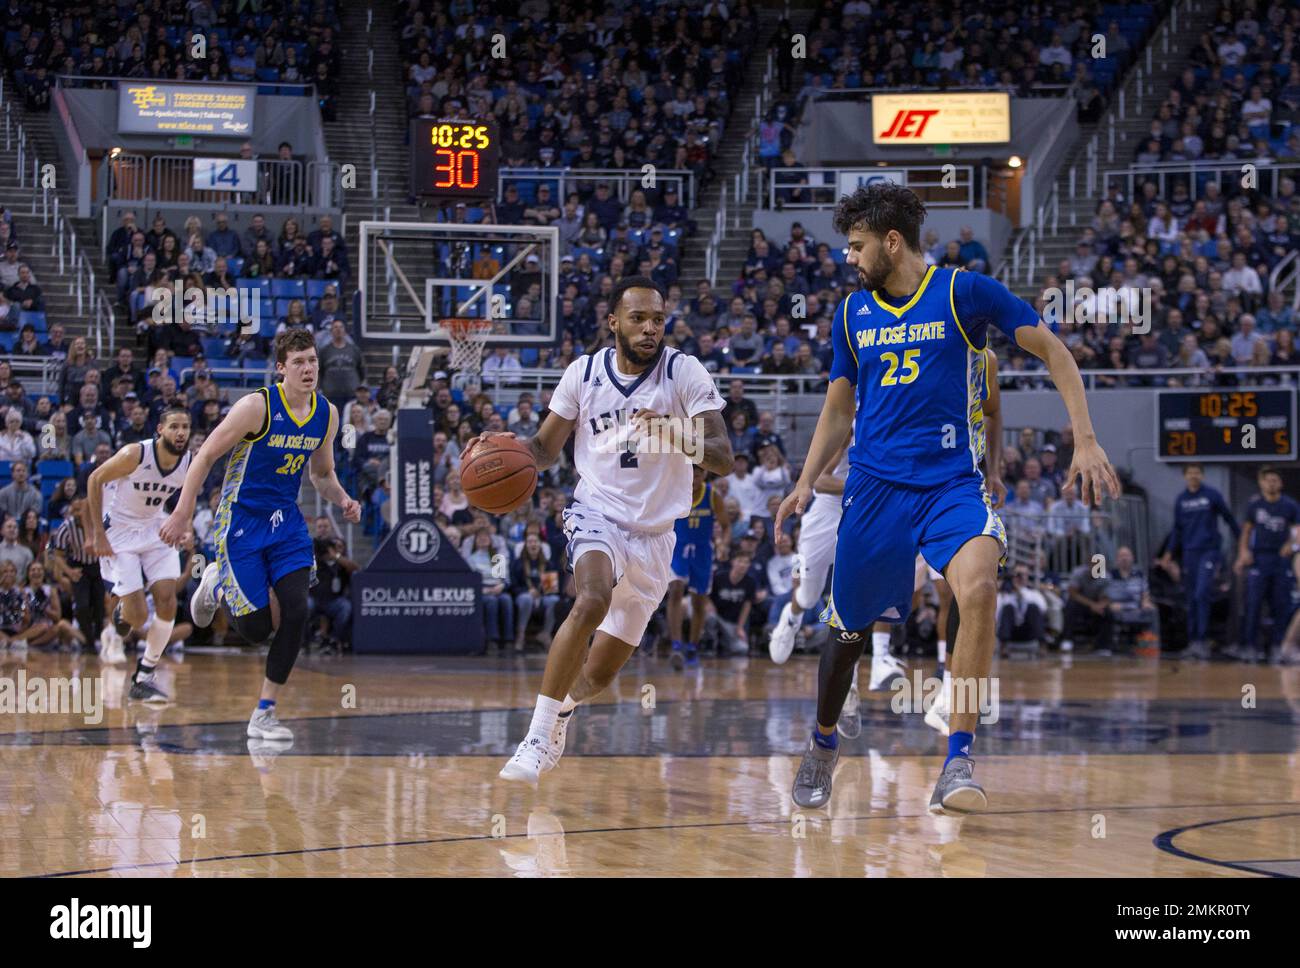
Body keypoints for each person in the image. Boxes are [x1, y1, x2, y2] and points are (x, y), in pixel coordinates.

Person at [775, 183, 1119, 813]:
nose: (849, 258)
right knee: (847, 635)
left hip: (950, 484)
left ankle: (958, 758)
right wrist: (805, 480)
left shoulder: (963, 292)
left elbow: (1055, 350)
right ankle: (823, 741)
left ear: (892, 241)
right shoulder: (851, 314)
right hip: (874, 490)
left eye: (856, 246)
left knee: (980, 586)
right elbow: (838, 405)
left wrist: (1086, 440)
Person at [486, 276, 733, 786]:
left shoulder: (683, 372)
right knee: (591, 599)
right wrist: (500, 451)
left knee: (597, 676)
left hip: (657, 536)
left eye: (658, 319)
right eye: (638, 318)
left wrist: (674, 431)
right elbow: (544, 450)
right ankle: (535, 734)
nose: (649, 329)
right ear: (613, 322)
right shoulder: (583, 373)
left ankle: (562, 714)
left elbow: (723, 456)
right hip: (597, 513)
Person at [159, 329, 362, 741]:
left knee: (297, 612)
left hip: (286, 524)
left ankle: (264, 713)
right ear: (281, 369)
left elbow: (321, 474)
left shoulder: (327, 414)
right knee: (252, 629)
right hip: (241, 521)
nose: (308, 369)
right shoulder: (256, 407)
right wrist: (182, 513)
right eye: (299, 362)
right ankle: (215, 582)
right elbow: (205, 456)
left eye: (313, 361)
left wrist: (342, 498)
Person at [84, 406, 193, 702]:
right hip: (120, 532)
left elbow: (189, 495)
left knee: (168, 601)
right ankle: (117, 620)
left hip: (156, 528)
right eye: (174, 426)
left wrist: (185, 524)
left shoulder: (189, 461)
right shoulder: (136, 454)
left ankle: (144, 675)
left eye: (185, 426)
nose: (181, 432)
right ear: (160, 429)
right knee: (138, 616)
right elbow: (94, 480)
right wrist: (97, 534)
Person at [1156, 463, 1239, 659]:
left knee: (1202, 593)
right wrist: (1168, 553)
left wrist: (1242, 543)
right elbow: (1177, 529)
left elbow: (1229, 518)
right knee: (1192, 597)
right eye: (1190, 473)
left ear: (1202, 475)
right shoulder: (1181, 500)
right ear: (1185, 476)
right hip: (1189, 553)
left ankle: (1202, 640)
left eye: (1197, 472)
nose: (1194, 476)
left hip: (1209, 551)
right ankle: (1193, 642)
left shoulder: (1212, 495)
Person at [1233, 466, 1300, 662]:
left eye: (1275, 480)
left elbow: (1297, 531)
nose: (1271, 483)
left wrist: (1292, 544)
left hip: (1281, 560)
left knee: (1282, 604)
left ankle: (1278, 647)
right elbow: (1246, 531)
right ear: (1261, 482)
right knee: (1253, 603)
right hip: (1259, 559)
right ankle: (1250, 646)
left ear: (1280, 483)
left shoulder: (1290, 505)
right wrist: (1243, 553)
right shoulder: (1255, 505)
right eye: (1268, 480)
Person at [667, 463, 727, 668]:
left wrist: (723, 544)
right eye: (691, 475)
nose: (693, 480)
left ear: (705, 475)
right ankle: (676, 644)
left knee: (699, 601)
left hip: (703, 551)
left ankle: (693, 645)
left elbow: (726, 526)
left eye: (698, 475)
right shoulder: (675, 490)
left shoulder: (712, 496)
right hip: (678, 548)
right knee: (675, 590)